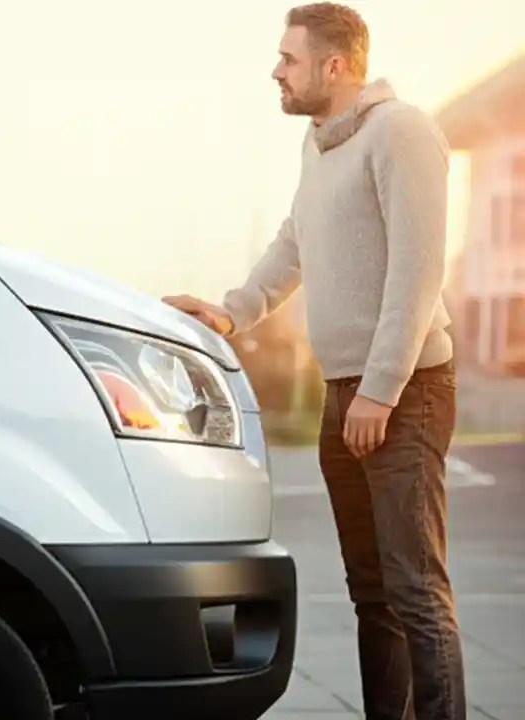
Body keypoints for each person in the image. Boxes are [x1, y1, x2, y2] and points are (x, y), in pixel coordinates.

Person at [162, 4, 465, 719]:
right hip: (344, 391)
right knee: (372, 593)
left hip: (406, 391)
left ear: (335, 65)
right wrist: (232, 310)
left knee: (416, 589)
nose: (276, 71)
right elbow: (295, 241)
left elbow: (417, 274)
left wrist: (382, 390)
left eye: (288, 59)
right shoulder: (321, 144)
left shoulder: (403, 132)